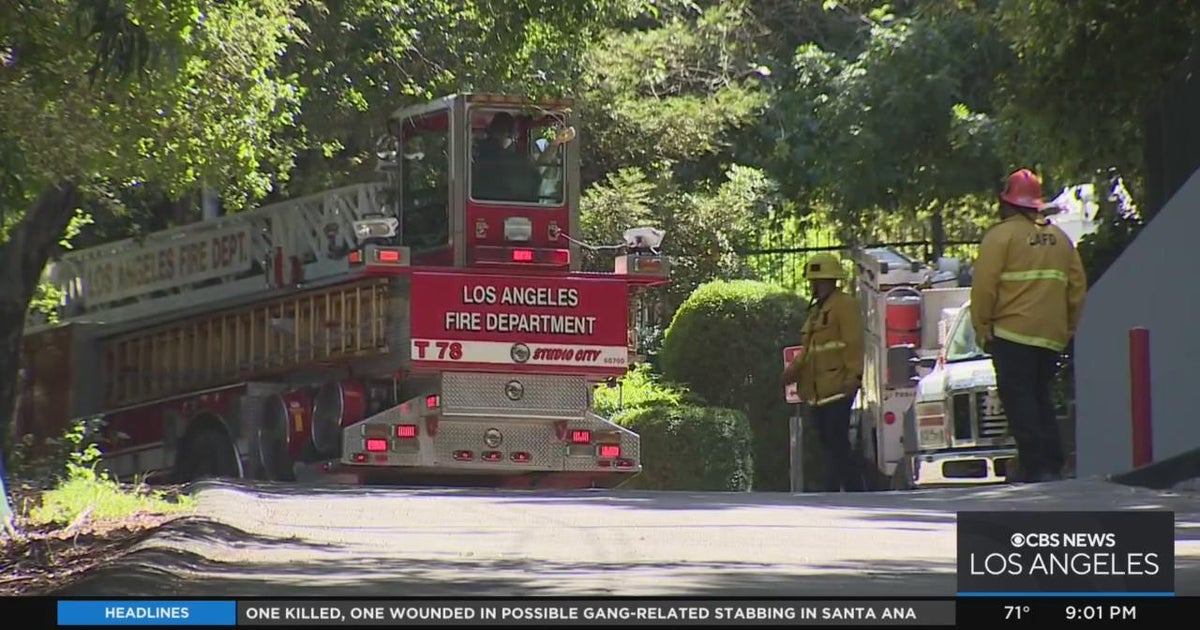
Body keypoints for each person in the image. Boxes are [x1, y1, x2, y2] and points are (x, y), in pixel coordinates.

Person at [970, 168, 1087, 483]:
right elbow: (1077, 289)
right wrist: (1067, 328)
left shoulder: (1001, 237)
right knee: (1040, 396)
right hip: (1050, 336)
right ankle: (1051, 462)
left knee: (1019, 398)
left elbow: (984, 288)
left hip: (1012, 334)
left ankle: (1036, 466)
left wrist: (982, 326)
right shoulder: (1061, 240)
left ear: (1007, 203)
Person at [783, 252, 865, 492]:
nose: (814, 286)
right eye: (813, 282)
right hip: (818, 393)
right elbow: (809, 350)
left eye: (817, 281)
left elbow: (853, 343)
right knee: (834, 446)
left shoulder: (844, 306)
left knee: (835, 445)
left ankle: (830, 493)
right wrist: (794, 370)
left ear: (829, 281)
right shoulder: (818, 312)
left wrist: (854, 377)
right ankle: (856, 493)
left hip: (838, 388)